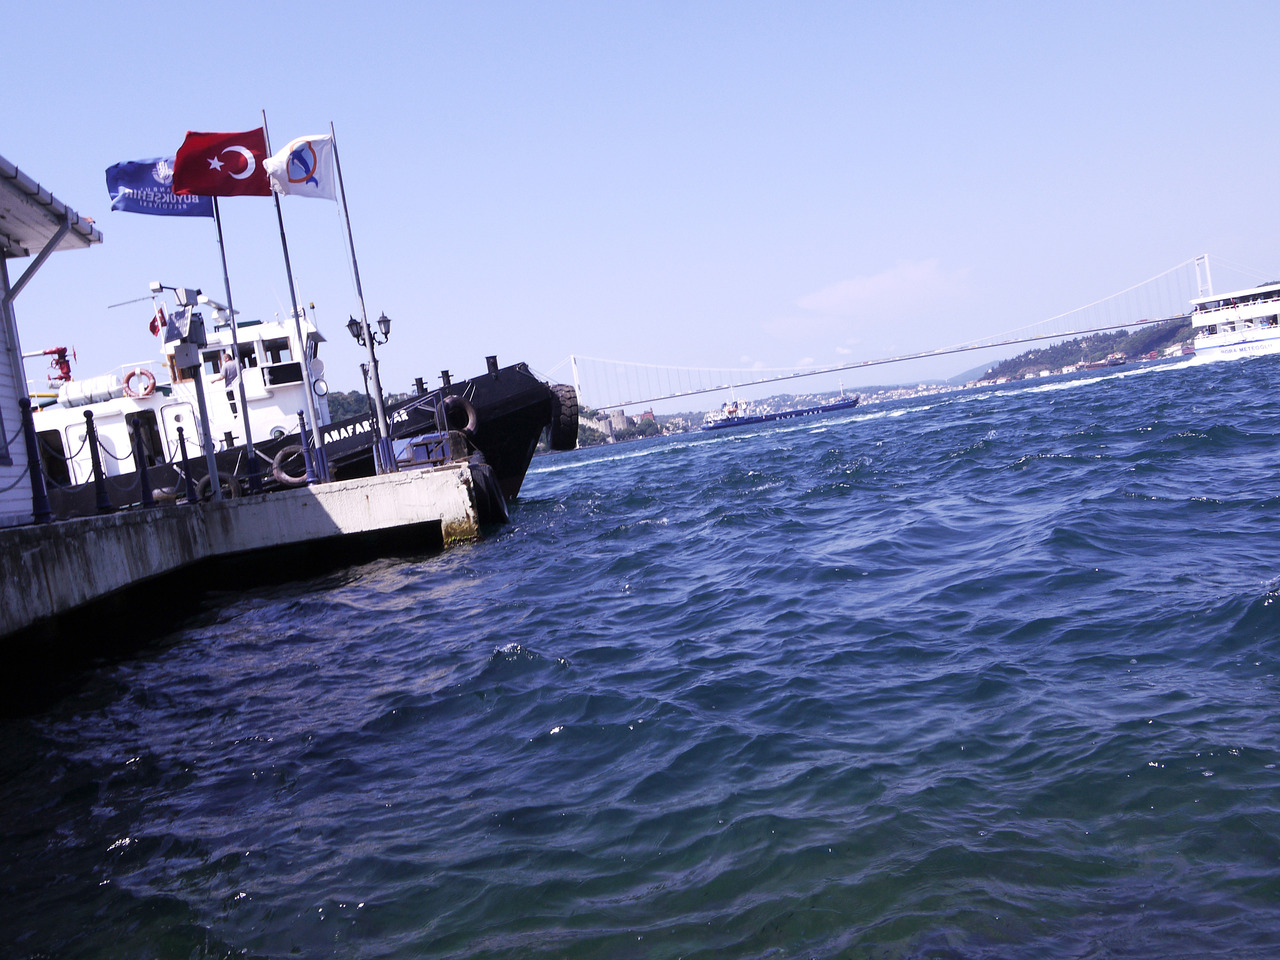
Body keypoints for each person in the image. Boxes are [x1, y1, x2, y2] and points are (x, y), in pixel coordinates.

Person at [212, 350, 240, 415]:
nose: (223, 360)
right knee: (240, 402)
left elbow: (222, 377)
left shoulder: (226, 366)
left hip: (230, 388)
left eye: (224, 359)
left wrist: (214, 380)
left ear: (227, 358)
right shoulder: (238, 363)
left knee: (233, 404)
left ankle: (236, 416)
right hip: (238, 387)